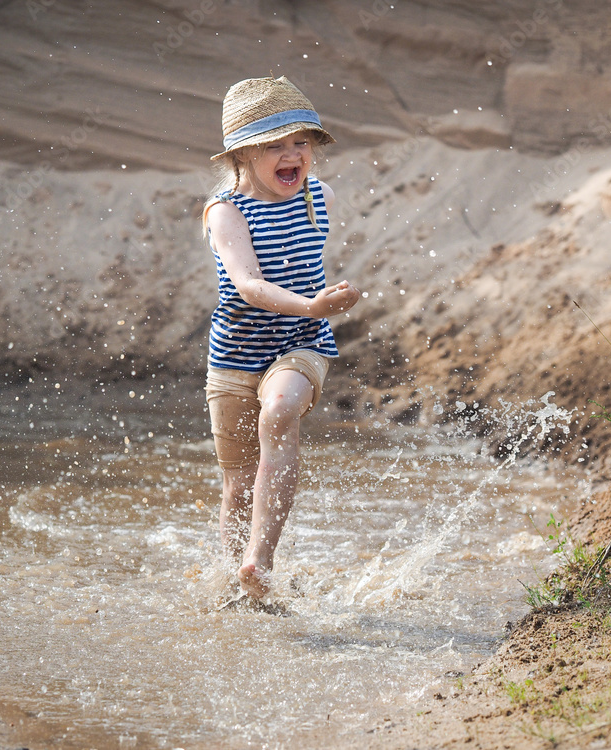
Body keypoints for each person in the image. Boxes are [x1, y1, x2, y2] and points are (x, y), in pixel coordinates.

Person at [201, 76, 361, 599]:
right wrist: (312, 301)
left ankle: (259, 562)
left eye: (302, 142)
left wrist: (314, 311)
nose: (293, 154)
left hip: (302, 344)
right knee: (238, 484)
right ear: (242, 155)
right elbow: (247, 284)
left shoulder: (320, 195)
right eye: (275, 145)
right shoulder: (226, 212)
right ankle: (233, 588)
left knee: (280, 411)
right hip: (234, 356)